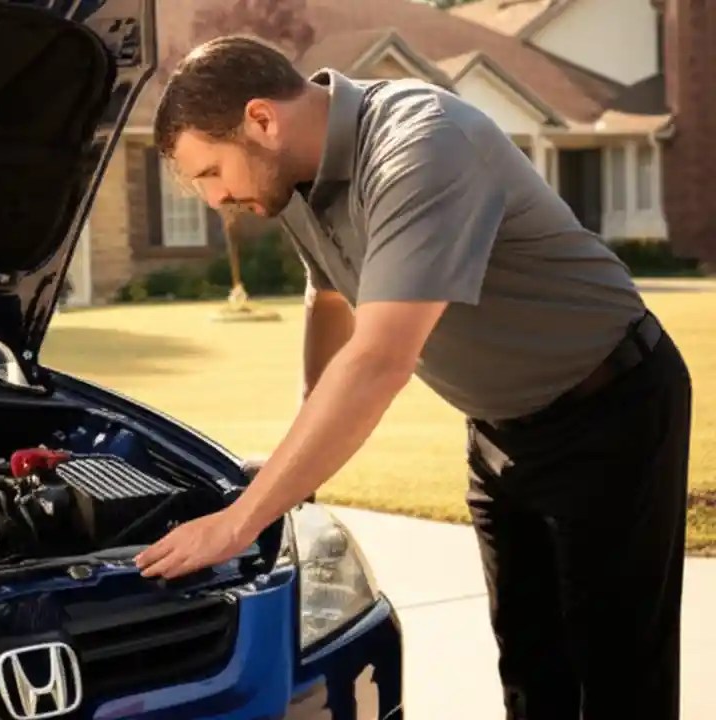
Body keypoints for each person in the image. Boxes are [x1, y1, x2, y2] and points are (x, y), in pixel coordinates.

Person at [133, 35, 690, 720]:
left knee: (618, 675)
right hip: (499, 434)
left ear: (261, 120)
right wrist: (299, 454)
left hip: (611, 410)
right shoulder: (295, 181)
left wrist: (242, 522)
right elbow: (331, 294)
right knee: (531, 667)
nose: (216, 198)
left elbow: (380, 359)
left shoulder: (422, 144)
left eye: (210, 172)